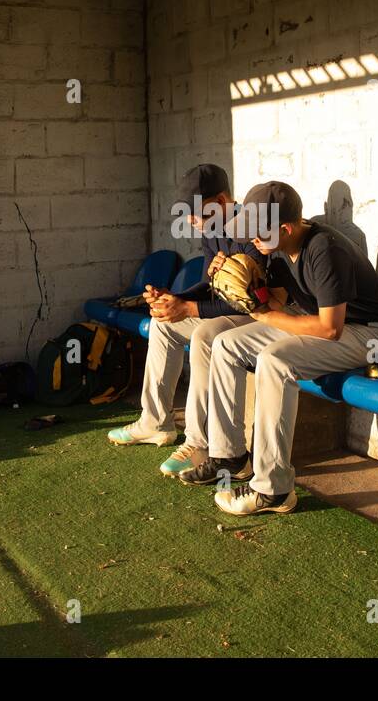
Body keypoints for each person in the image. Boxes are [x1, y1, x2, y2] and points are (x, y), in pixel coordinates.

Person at [178, 181, 378, 516]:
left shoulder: (325, 248)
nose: (253, 241)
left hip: (364, 335)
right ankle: (229, 455)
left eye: (259, 234)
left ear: (286, 228)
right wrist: (236, 283)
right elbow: (272, 301)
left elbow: (330, 328)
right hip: (317, 321)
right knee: (226, 343)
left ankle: (272, 489)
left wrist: (264, 313)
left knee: (275, 361)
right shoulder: (276, 249)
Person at [105, 164, 265, 479]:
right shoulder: (212, 228)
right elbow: (213, 283)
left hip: (258, 316)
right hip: (228, 309)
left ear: (220, 202)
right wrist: (174, 297)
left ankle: (199, 442)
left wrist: (189, 308)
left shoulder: (254, 228)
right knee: (164, 323)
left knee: (206, 334)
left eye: (197, 213)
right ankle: (155, 422)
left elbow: (249, 301)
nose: (192, 221)